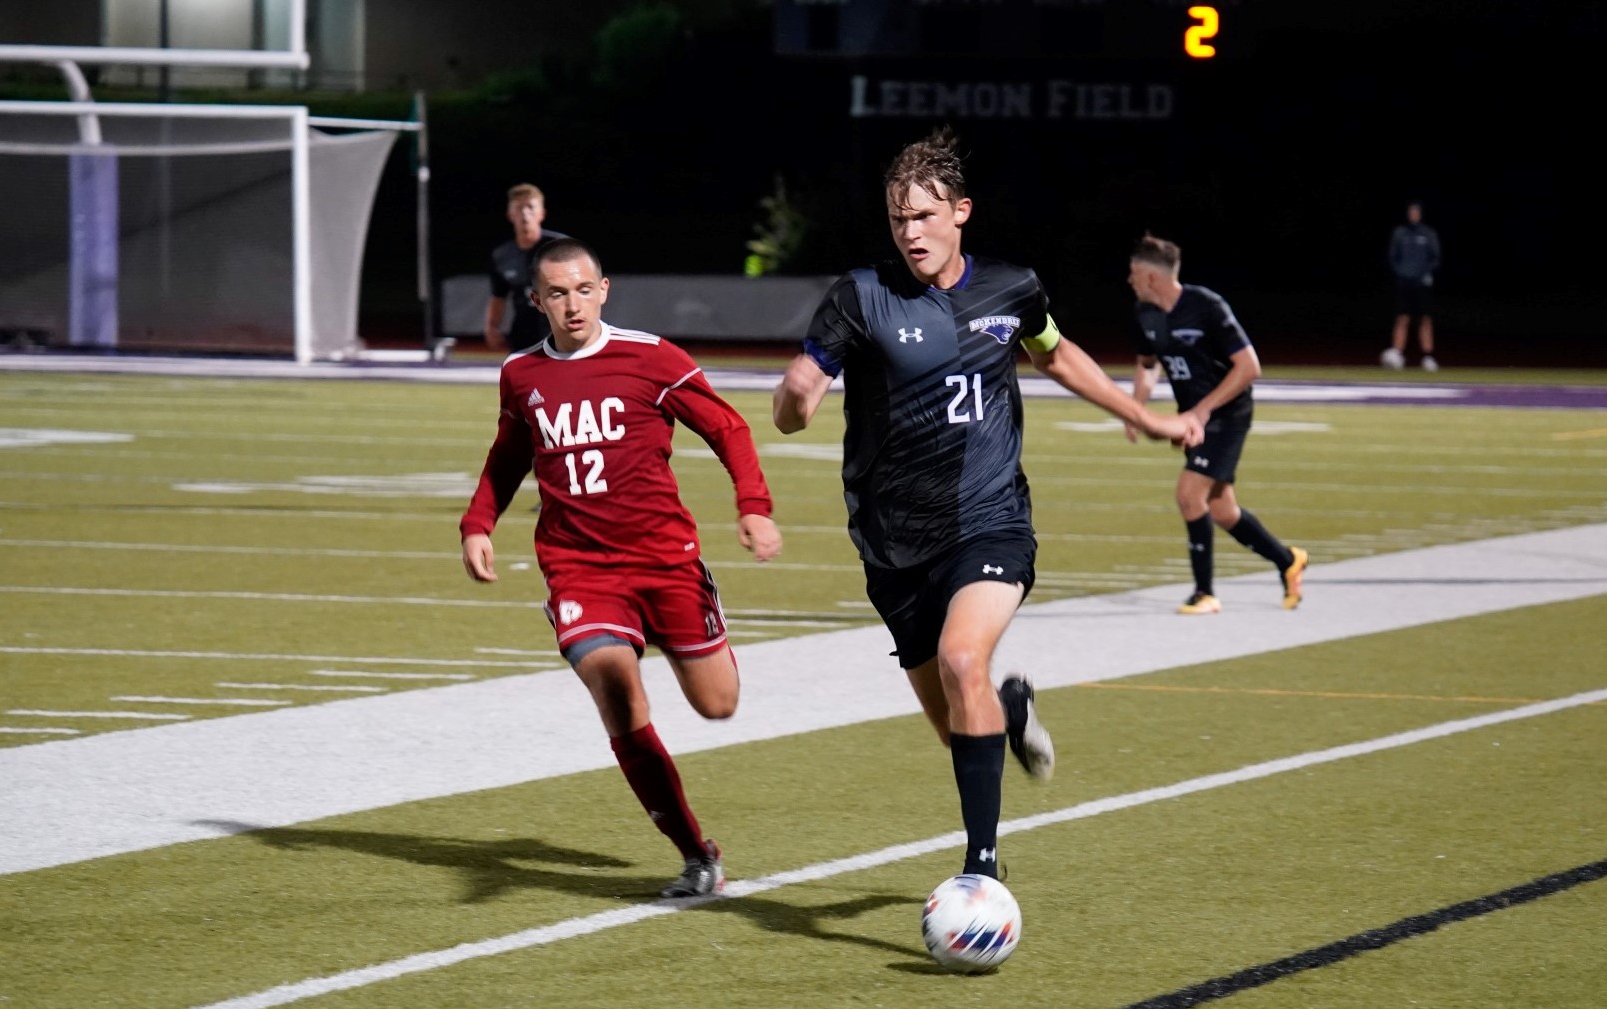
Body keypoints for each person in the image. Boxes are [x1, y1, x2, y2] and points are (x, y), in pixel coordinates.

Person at [771, 127, 1202, 881]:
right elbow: (798, 392)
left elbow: (1056, 353)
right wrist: (796, 398)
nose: (911, 233)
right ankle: (1009, 703)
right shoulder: (860, 296)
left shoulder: (1012, 288)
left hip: (989, 521)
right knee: (957, 725)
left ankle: (983, 869)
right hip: (891, 544)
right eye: (898, 219)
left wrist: (1147, 416)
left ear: (961, 212)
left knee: (963, 657)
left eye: (925, 216)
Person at [460, 236, 783, 898]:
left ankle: (677, 629)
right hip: (580, 568)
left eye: (584, 289)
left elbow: (729, 429)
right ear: (535, 300)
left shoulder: (652, 358)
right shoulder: (521, 373)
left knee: (718, 705)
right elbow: (508, 455)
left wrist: (753, 506)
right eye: (557, 293)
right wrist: (478, 523)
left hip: (666, 561)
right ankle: (697, 854)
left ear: (603, 290)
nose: (573, 304)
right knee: (614, 684)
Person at [1124, 233, 1309, 615]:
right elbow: (1147, 366)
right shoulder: (1145, 314)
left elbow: (1249, 367)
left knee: (1189, 495)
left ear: (1152, 277)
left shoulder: (1205, 305)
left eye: (1134, 274)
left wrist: (1202, 411)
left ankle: (1204, 593)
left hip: (1226, 414)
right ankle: (1288, 560)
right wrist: (1135, 411)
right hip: (1194, 419)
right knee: (1224, 511)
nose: (1130, 281)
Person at [484, 183, 567, 354]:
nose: (525, 213)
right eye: (519, 208)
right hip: (523, 332)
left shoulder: (560, 247)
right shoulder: (503, 255)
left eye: (530, 207)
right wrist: (492, 326)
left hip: (558, 328)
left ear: (541, 213)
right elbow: (498, 295)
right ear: (510, 214)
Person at [1381, 201, 1441, 372]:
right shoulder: (1400, 233)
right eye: (1411, 212)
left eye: (1416, 212)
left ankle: (1428, 356)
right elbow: (1393, 257)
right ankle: (1397, 354)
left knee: (1425, 319)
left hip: (1421, 283)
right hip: (1404, 283)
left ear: (1420, 214)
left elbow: (1435, 257)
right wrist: (1401, 273)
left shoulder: (1428, 233)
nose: (1413, 215)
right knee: (1402, 318)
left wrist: (1425, 274)